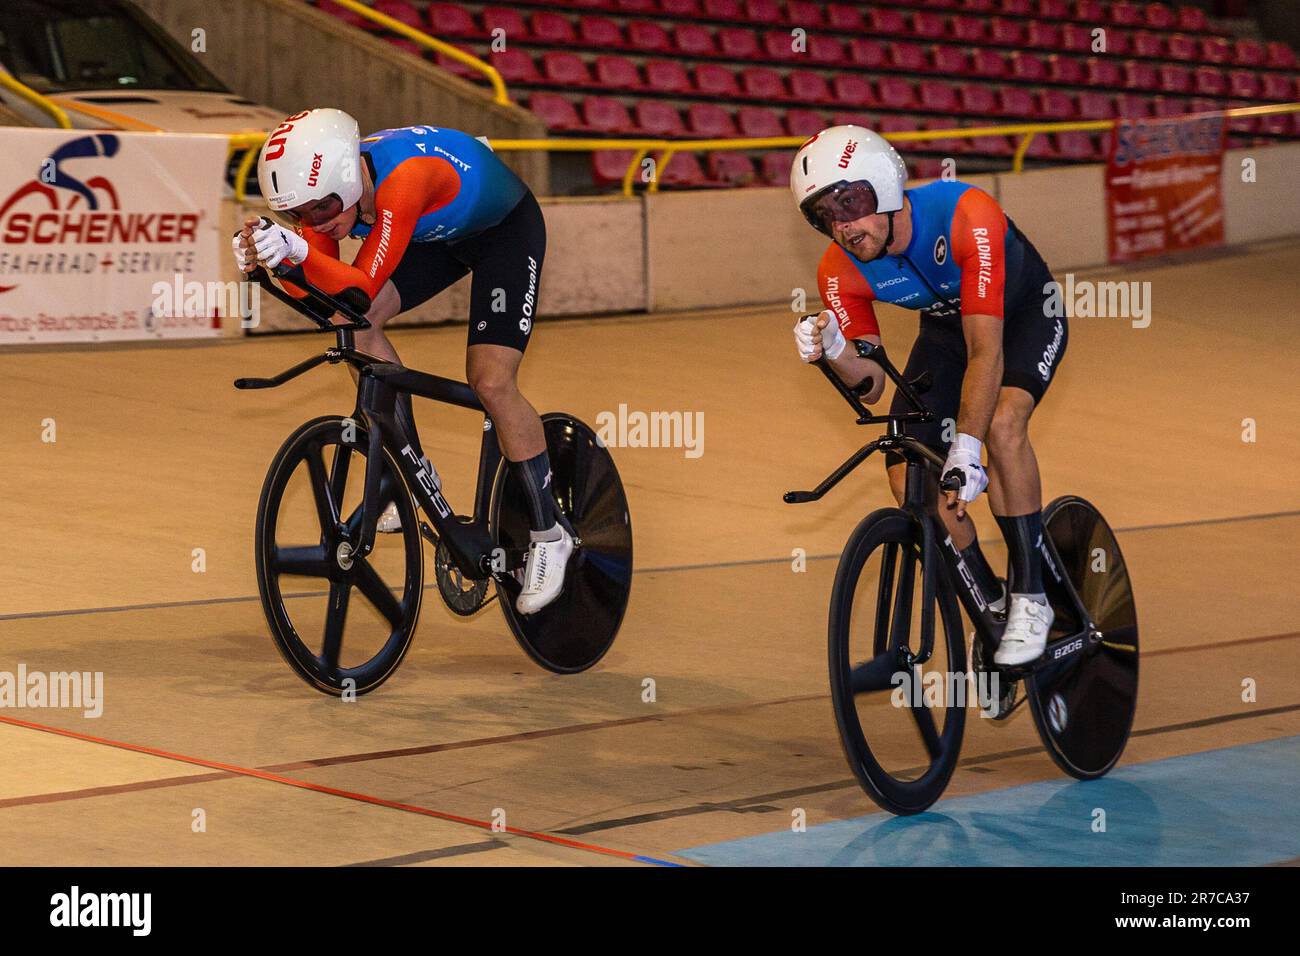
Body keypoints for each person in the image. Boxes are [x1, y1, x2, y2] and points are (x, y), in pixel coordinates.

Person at [232, 108, 567, 615]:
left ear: (348, 178)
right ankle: (406, 468)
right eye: (300, 215)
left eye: (322, 208)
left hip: (503, 232)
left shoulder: (403, 180)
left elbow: (360, 288)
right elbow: (334, 301)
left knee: (491, 380)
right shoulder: (330, 197)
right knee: (351, 324)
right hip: (435, 236)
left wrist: (295, 253)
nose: (317, 222)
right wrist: (276, 262)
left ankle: (551, 533)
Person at [789, 125, 1067, 666]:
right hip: (944, 331)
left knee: (1003, 426)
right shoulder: (838, 269)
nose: (844, 226)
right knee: (904, 466)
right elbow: (869, 383)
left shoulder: (966, 213)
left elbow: (986, 351)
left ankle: (1033, 597)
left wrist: (967, 445)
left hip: (1022, 316)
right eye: (826, 215)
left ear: (888, 187)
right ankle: (991, 606)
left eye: (852, 202)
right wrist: (833, 349)